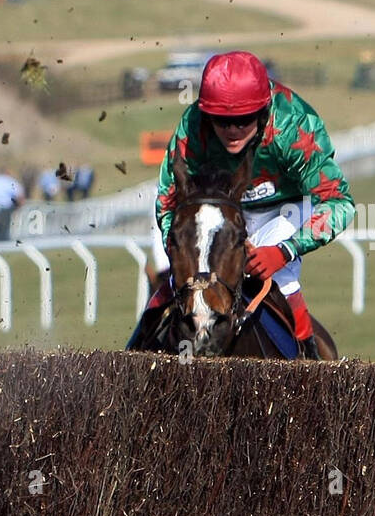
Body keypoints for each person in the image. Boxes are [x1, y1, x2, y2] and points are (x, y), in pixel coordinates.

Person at [150, 50, 355, 358]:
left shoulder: (295, 126)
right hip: (222, 208)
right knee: (174, 284)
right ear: (207, 115)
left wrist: (285, 249)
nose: (232, 130)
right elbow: (168, 200)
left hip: (285, 208)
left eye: (243, 120)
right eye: (222, 121)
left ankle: (313, 364)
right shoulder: (192, 127)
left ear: (263, 112)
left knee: (281, 280)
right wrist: (178, 250)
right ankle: (133, 355)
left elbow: (340, 202)